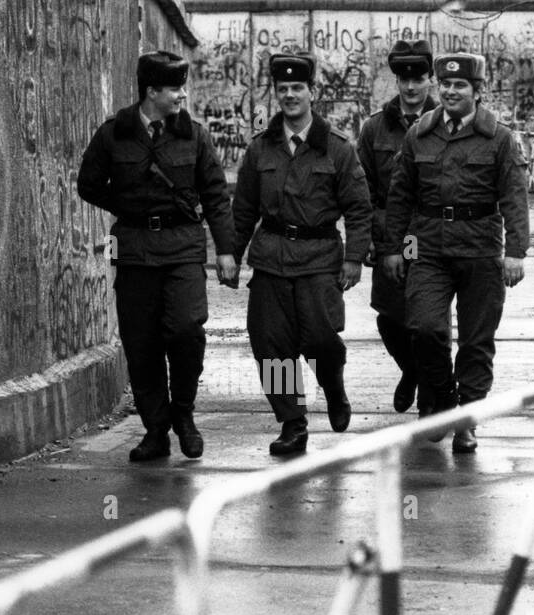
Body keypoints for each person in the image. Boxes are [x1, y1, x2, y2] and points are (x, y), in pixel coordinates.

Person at [77, 50, 235, 462]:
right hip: (134, 255)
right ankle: (156, 430)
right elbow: (88, 183)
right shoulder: (115, 133)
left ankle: (184, 414)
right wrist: (125, 206)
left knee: (186, 330)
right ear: (152, 91)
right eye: (175, 88)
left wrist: (227, 252)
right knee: (141, 344)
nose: (183, 95)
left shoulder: (194, 135)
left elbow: (217, 196)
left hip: (183, 249)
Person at [382, 53, 529, 454]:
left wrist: (515, 251)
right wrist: (392, 248)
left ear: (477, 91)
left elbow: (514, 196)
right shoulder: (420, 134)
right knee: (425, 329)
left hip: (481, 250)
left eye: (459, 85)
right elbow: (400, 195)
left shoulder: (499, 137)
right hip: (429, 247)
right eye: (445, 85)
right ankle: (444, 399)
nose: (449, 91)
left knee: (476, 342)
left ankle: (466, 420)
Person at [229, 51, 373, 457]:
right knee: (271, 346)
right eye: (283, 89)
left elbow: (359, 208)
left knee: (322, 339)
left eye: (297, 88)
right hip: (271, 256)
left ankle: (333, 382)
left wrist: (354, 258)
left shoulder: (338, 149)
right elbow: (243, 210)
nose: (290, 95)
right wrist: (231, 255)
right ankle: (293, 423)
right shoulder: (261, 149)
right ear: (275, 93)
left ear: (313, 92)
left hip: (319, 257)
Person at [357, 38, 440, 415]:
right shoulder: (375, 129)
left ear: (429, 80)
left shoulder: (443, 124)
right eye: (404, 79)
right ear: (396, 81)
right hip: (392, 234)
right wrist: (380, 239)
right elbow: (365, 191)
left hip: (428, 237)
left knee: (425, 320)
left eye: (418, 78)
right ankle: (413, 371)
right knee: (390, 318)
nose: (410, 87)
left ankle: (428, 396)